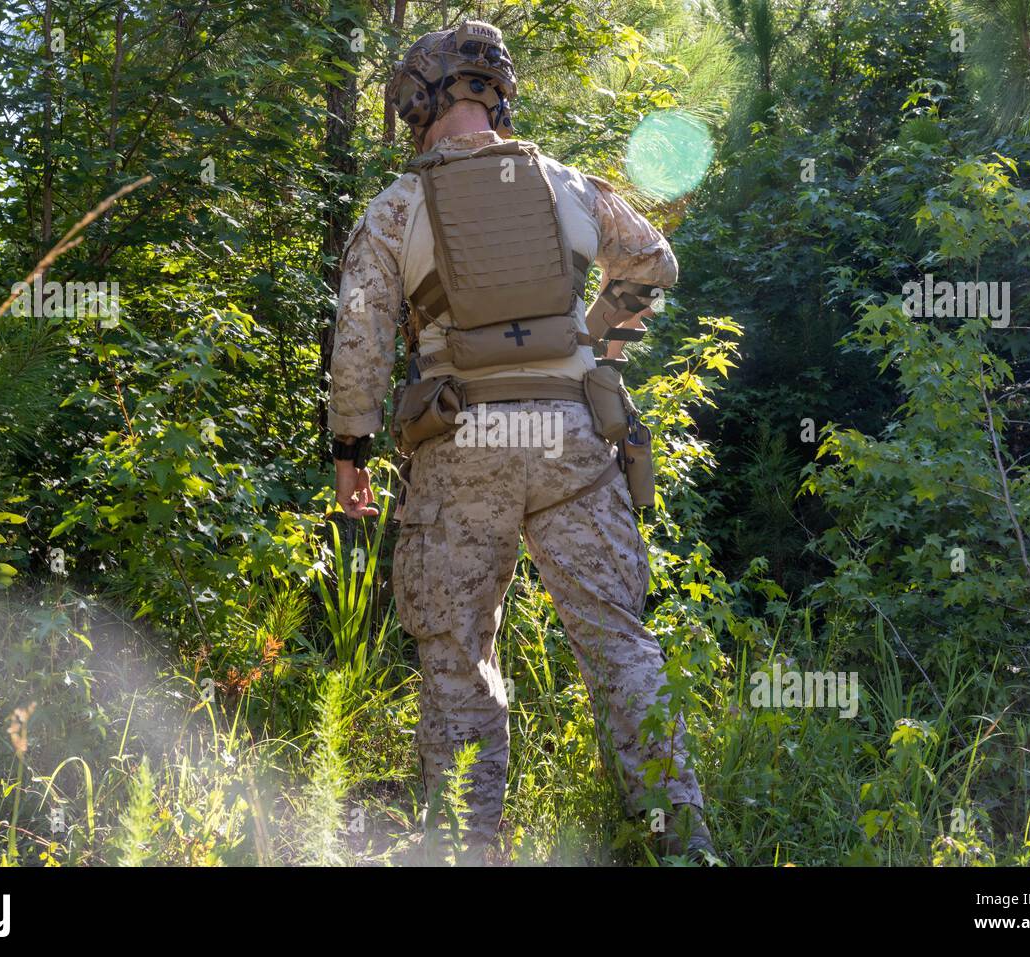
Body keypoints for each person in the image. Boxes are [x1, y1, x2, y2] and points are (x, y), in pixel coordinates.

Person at [326, 19, 714, 863]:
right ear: (497, 95)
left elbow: (360, 333)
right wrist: (603, 336)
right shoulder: (571, 185)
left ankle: (467, 852)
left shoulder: (397, 208)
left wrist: (349, 450)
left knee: (458, 659)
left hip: (460, 443)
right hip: (572, 435)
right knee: (619, 643)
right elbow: (655, 262)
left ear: (419, 102)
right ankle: (680, 842)